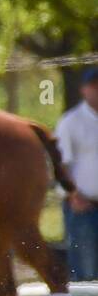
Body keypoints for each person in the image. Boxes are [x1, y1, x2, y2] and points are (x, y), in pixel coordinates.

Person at [57, 65, 98, 283]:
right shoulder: (70, 122)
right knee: (86, 271)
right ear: (84, 89)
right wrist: (74, 195)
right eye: (94, 85)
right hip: (83, 207)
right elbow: (61, 164)